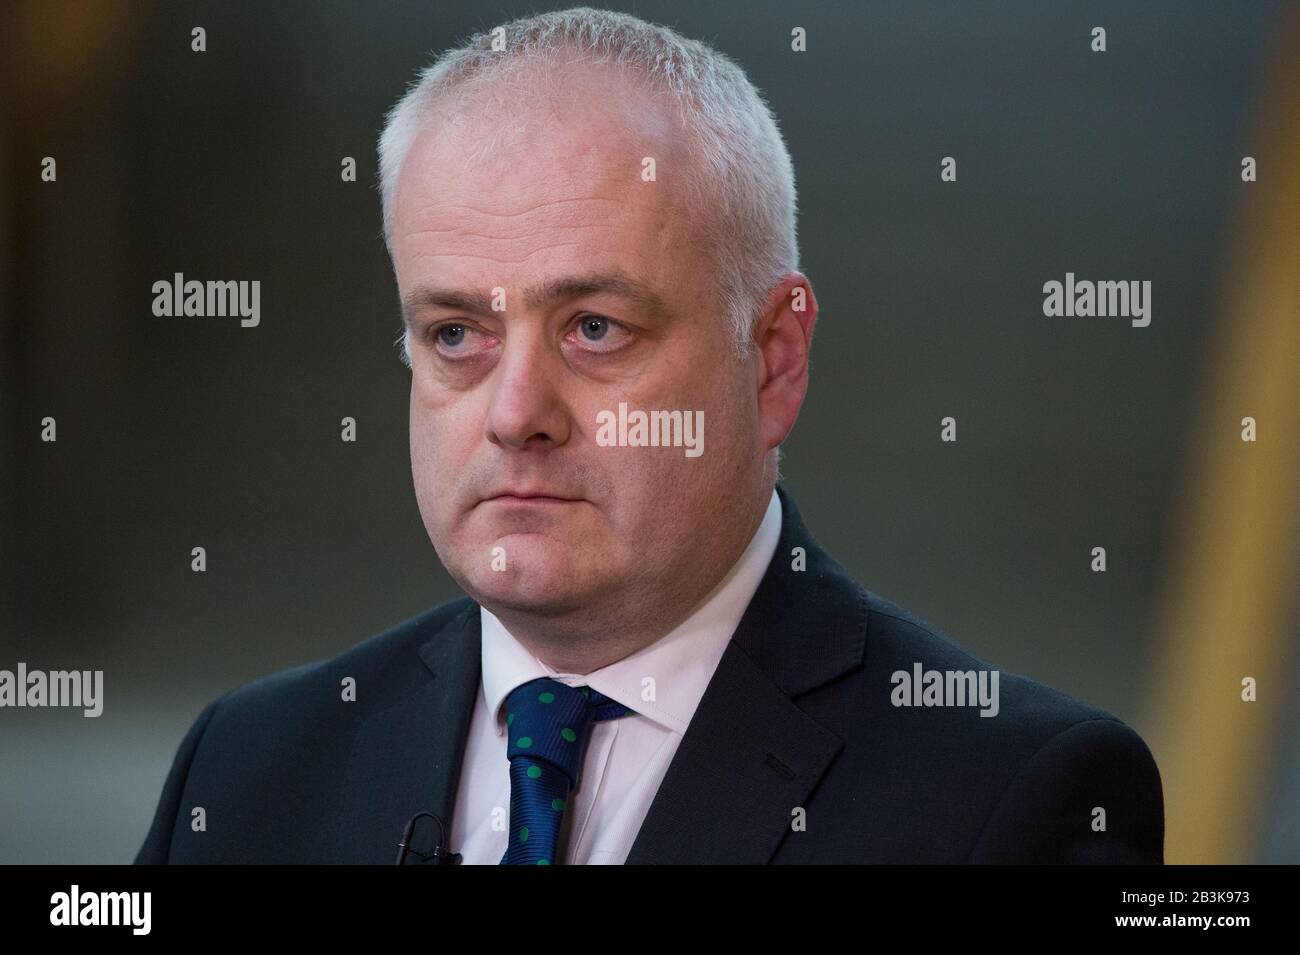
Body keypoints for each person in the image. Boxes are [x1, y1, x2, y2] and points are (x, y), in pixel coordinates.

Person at [135, 6, 1163, 864]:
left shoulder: (1015, 801)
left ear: (772, 360)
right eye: (456, 333)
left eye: (593, 328)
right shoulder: (247, 768)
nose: (512, 413)